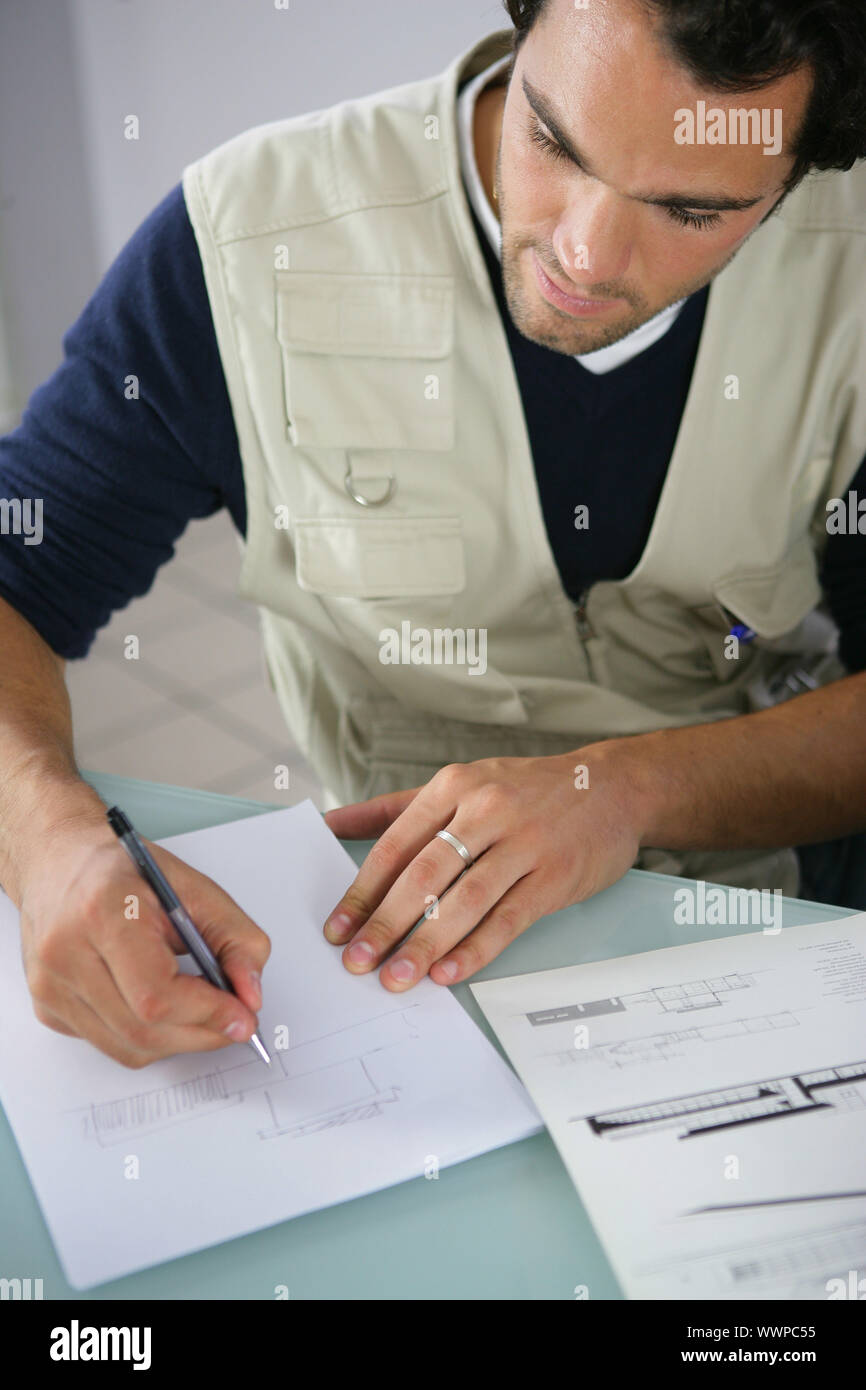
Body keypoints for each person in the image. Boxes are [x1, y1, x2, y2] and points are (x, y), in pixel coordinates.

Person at [1, 0, 864, 1067]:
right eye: (551, 138)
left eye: (689, 210)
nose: (584, 256)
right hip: (391, 944)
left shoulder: (853, 257)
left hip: (775, 894)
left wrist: (628, 790)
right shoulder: (248, 237)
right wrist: (46, 839)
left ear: (801, 172)